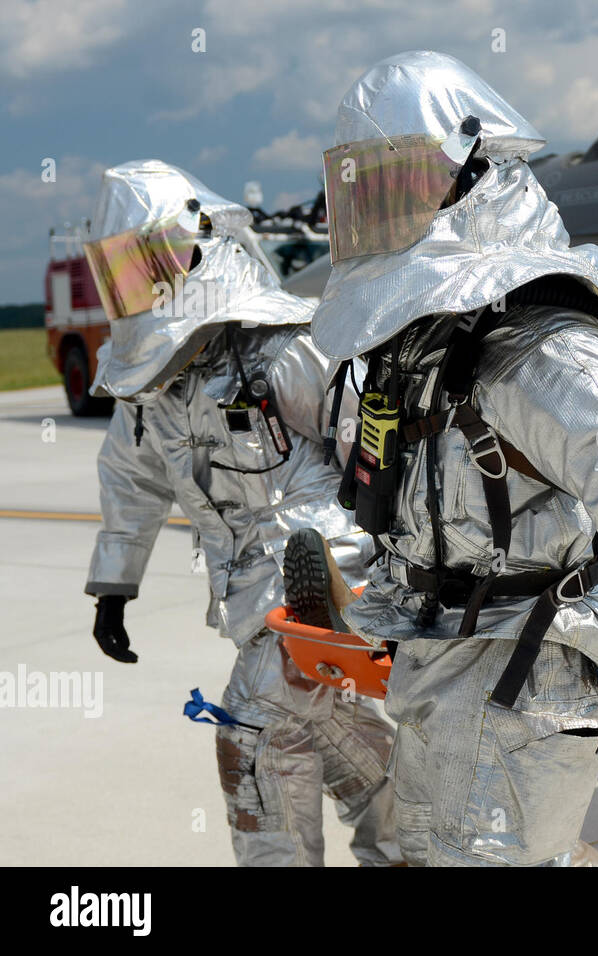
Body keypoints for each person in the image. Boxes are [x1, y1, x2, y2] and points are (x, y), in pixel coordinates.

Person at [305, 51, 598, 867]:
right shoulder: (413, 342)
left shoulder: (542, 341)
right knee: (435, 851)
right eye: (371, 194)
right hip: (438, 655)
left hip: (530, 670)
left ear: (473, 174)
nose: (386, 213)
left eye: (401, 187)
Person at [83, 160, 400, 866]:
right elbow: (132, 481)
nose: (135, 287)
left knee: (252, 735)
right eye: (120, 273)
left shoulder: (280, 345)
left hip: (325, 584)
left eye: (146, 265)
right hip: (250, 599)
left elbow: (375, 448)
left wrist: (407, 573)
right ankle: (414, 841)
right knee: (338, 734)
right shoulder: (148, 386)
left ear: (195, 244)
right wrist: (113, 584)